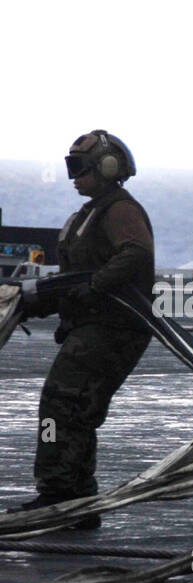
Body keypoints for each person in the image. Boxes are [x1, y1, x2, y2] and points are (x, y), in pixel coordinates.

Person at [6, 131, 154, 530]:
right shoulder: (92, 214)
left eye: (79, 168)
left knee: (60, 404)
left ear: (106, 168)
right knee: (76, 410)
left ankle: (57, 497)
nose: (74, 177)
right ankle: (78, 502)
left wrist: (94, 287)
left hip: (111, 328)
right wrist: (38, 302)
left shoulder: (119, 210)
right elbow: (76, 279)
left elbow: (135, 254)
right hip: (95, 327)